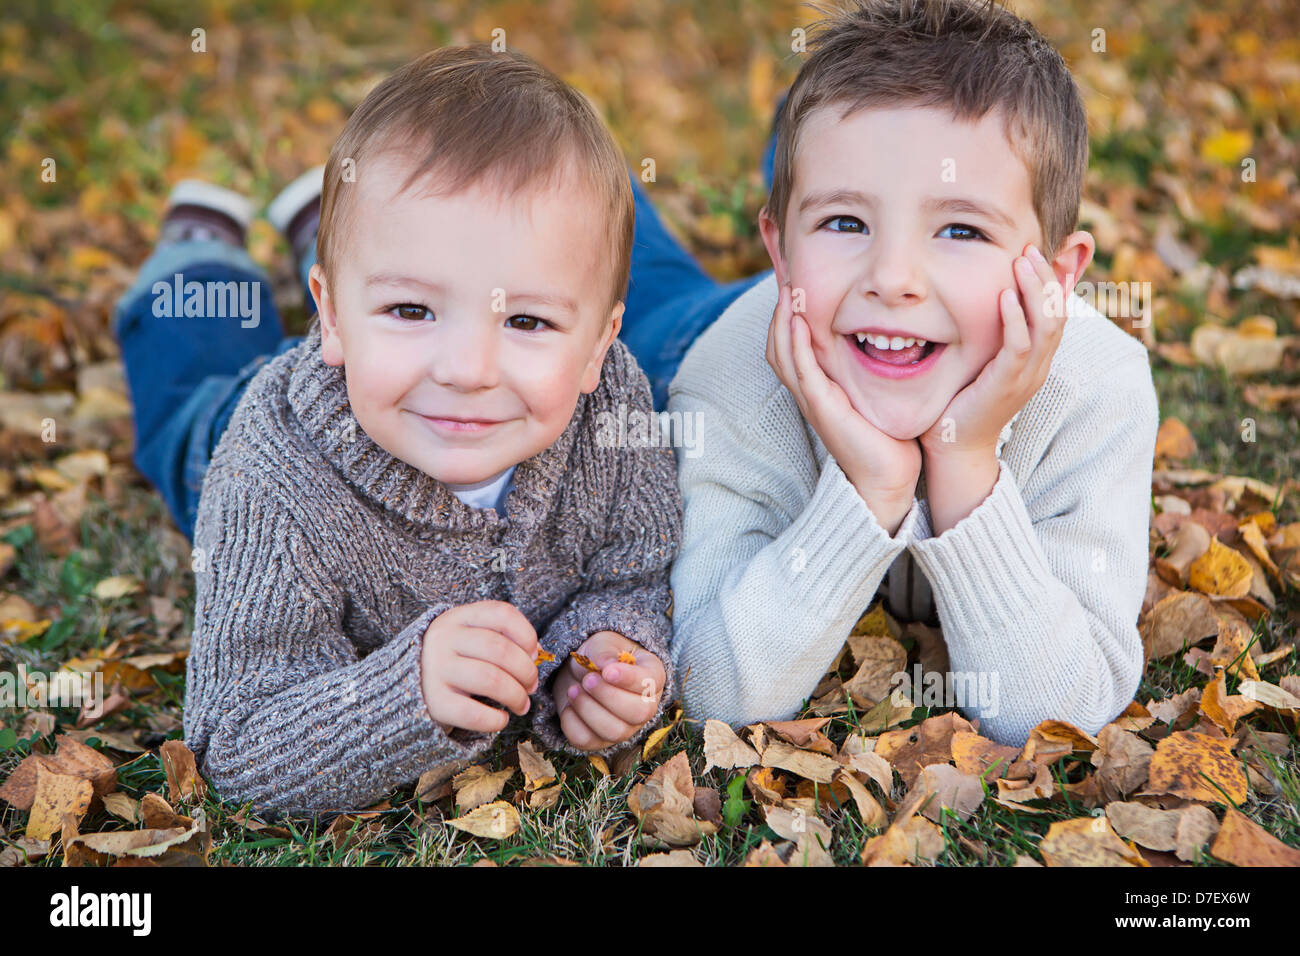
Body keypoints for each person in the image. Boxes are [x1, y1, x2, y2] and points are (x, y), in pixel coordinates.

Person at [115, 45, 721, 820]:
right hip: (233, 428)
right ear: (328, 316)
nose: (468, 369)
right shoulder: (269, 481)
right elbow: (233, 744)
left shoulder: (615, 415)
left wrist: (601, 649)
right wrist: (405, 695)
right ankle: (193, 258)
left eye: (528, 320)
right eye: (412, 310)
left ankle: (327, 231)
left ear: (600, 346)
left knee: (389, 251)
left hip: (378, 375)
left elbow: (629, 571)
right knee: (181, 389)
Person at [666, 0, 1160, 747]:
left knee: (839, 167)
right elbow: (713, 687)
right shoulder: (727, 379)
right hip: (714, 327)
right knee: (608, 244)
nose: (894, 275)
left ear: (1056, 278)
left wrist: (964, 461)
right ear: (779, 250)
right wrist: (870, 488)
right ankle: (783, 164)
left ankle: (812, 167)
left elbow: (1059, 711)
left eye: (961, 228)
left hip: (850, 322)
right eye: (847, 221)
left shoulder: (1101, 389)